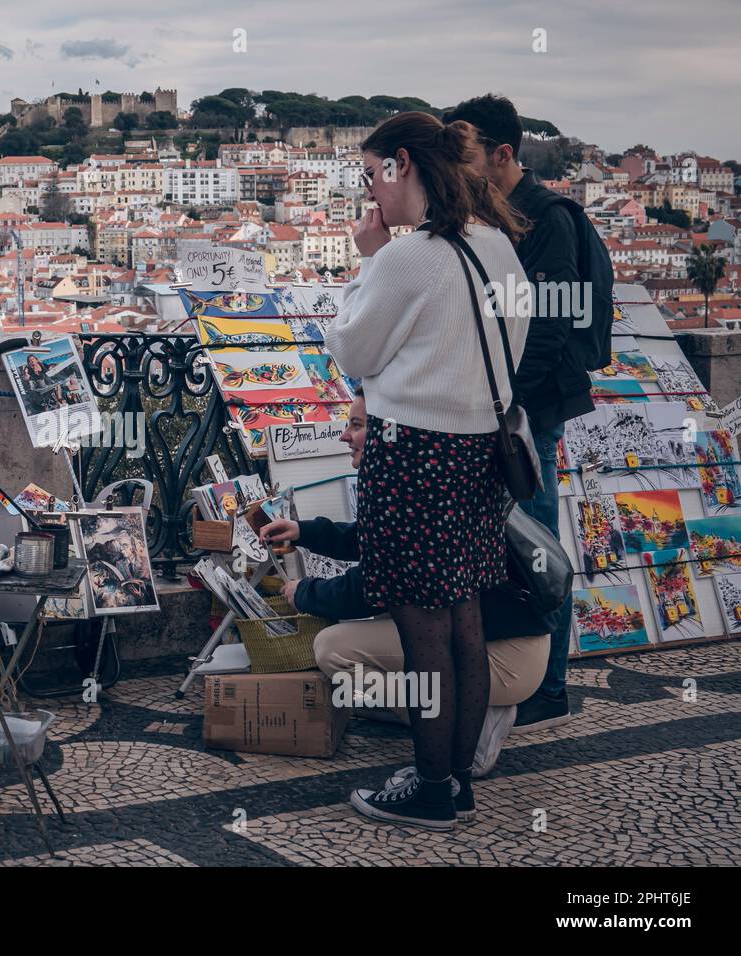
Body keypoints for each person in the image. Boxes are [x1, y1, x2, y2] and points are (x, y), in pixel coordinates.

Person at [319, 111, 531, 830]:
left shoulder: (410, 258)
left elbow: (351, 351)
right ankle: (457, 776)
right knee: (463, 618)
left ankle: (432, 785)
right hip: (481, 454)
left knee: (423, 634)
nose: (370, 193)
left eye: (371, 175)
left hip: (416, 455)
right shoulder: (498, 245)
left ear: (401, 164)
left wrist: (369, 258)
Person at [260, 390, 551, 786]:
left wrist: (303, 592)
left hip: (508, 659)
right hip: (515, 643)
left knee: (332, 650)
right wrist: (305, 531)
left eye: (358, 426)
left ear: (388, 433)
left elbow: (366, 587)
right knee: (405, 625)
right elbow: (375, 542)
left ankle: (470, 722)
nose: (345, 436)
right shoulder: (441, 474)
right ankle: (458, 722)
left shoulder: (409, 483)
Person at [442, 94, 596, 734]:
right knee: (506, 547)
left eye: (468, 154)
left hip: (526, 414)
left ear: (503, 155)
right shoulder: (490, 215)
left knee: (535, 546)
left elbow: (546, 332)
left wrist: (505, 413)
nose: (457, 166)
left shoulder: (546, 219)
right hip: (495, 412)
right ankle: (514, 678)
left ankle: (550, 686)